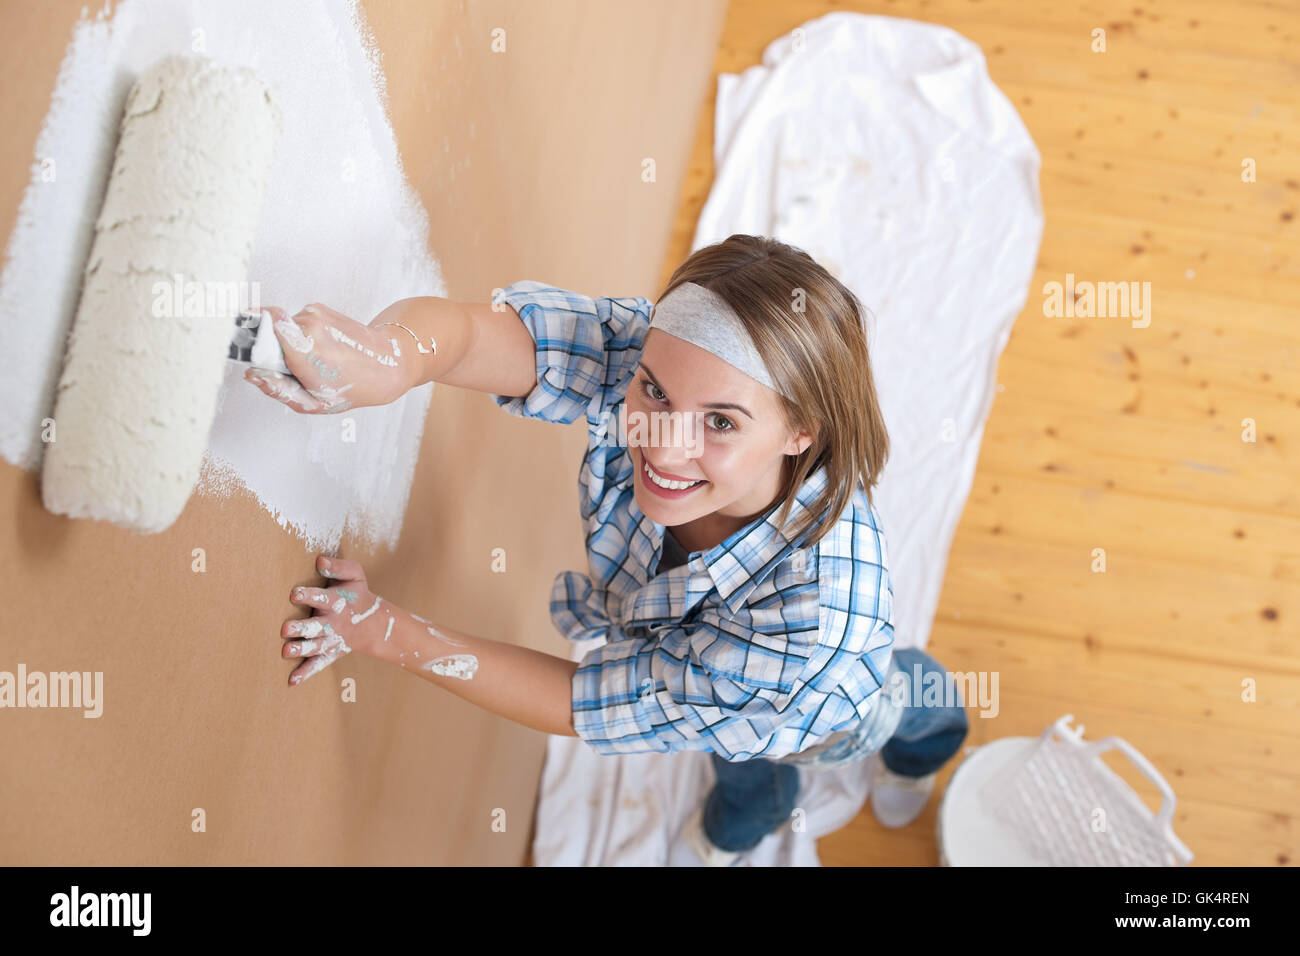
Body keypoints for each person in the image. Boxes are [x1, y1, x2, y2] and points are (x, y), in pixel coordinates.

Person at [246, 233, 968, 865]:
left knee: (856, 723)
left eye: (720, 422)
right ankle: (768, 795)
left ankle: (922, 748)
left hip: (816, 707)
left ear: (798, 432)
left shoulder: (809, 633)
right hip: (719, 671)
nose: (665, 445)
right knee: (727, 750)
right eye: (653, 392)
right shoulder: (666, 353)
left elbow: (578, 702)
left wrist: (383, 631)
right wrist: (392, 357)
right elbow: (473, 336)